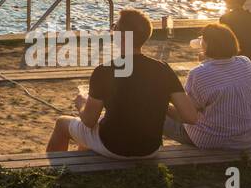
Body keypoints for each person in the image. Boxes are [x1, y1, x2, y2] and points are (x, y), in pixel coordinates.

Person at [46, 9, 199, 158]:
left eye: (115, 27)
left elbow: (88, 121)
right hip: (150, 149)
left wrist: (81, 104)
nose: (113, 31)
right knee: (98, 126)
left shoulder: (104, 71)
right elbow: (190, 117)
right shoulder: (164, 69)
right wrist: (157, 102)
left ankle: (53, 175)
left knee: (62, 123)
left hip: (114, 147)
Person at [163, 24, 251, 149]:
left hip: (212, 140)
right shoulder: (245, 63)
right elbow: (222, 74)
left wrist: (163, 104)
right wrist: (208, 61)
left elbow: (188, 114)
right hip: (248, 138)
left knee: (153, 112)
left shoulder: (199, 73)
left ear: (207, 45)